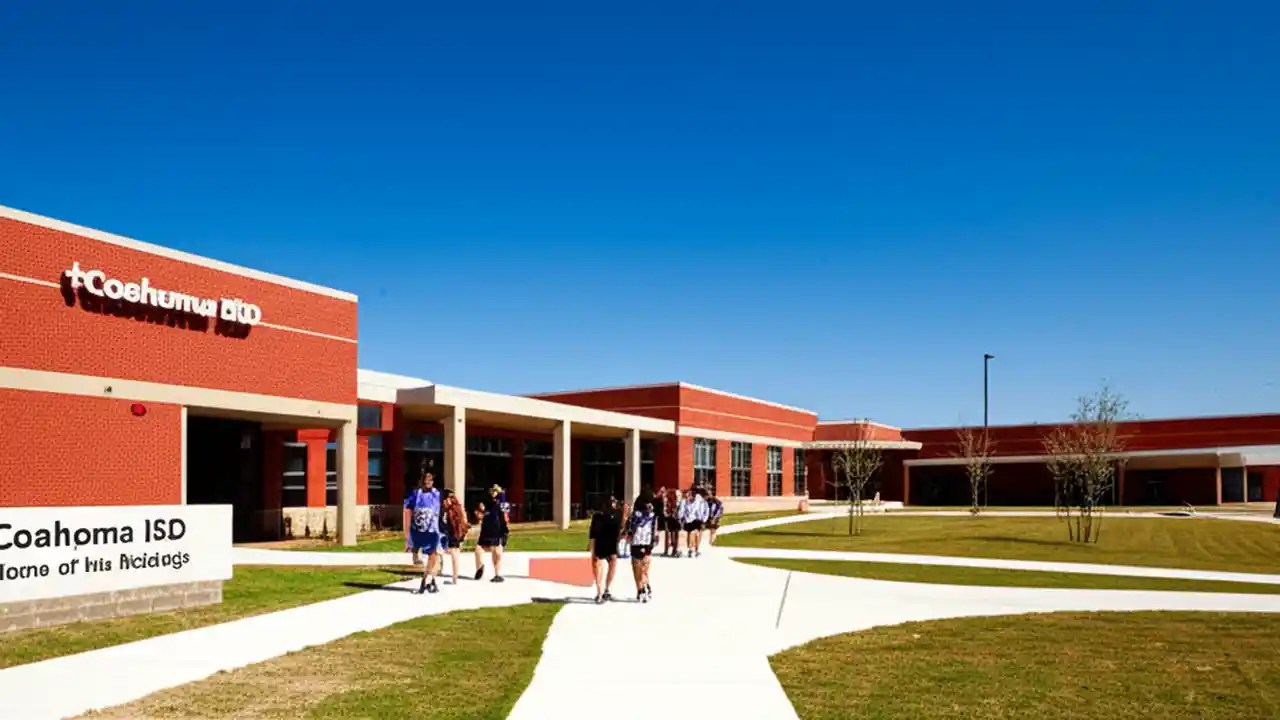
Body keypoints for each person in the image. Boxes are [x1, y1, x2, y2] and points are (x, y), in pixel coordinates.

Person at [403, 471, 443, 594]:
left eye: (430, 480)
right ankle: (429, 580)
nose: (428, 482)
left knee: (434, 555)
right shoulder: (416, 494)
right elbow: (407, 509)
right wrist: (407, 532)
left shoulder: (438, 494)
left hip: (433, 530)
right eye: (426, 480)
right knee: (424, 558)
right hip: (419, 530)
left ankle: (428, 580)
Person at [587, 496, 621, 604]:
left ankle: (607, 589)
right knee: (597, 564)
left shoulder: (617, 514)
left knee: (612, 564)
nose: (613, 504)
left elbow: (621, 530)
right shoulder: (597, 516)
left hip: (611, 544)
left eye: (614, 502)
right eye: (611, 502)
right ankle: (599, 591)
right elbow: (593, 533)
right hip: (600, 543)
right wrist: (591, 547)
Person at [474, 484, 509, 582]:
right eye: (492, 491)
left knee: (496, 553)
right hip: (485, 531)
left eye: (495, 491)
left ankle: (497, 574)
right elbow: (479, 512)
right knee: (478, 550)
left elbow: (504, 518)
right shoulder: (486, 503)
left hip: (496, 532)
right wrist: (480, 511)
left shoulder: (501, 504)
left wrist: (504, 534)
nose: (493, 493)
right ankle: (479, 568)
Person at [626, 496, 657, 602]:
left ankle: (643, 587)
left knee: (642, 568)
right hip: (638, 543)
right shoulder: (635, 516)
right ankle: (641, 589)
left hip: (644, 543)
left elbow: (654, 529)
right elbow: (629, 529)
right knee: (639, 568)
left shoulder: (651, 515)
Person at [438, 488, 470, 585]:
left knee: (452, 554)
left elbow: (449, 524)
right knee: (453, 554)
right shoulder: (456, 508)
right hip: (455, 534)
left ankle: (453, 578)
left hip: (453, 535)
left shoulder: (450, 511)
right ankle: (453, 577)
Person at [678, 488, 709, 558]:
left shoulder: (700, 501)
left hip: (697, 520)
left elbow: (705, 511)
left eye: (689, 495)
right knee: (690, 534)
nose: (688, 497)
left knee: (696, 534)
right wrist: (681, 518)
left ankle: (696, 550)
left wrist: (703, 520)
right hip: (688, 520)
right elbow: (682, 511)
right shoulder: (684, 502)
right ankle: (690, 549)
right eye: (687, 495)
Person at [663, 486, 681, 557]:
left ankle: (670, 550)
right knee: (674, 534)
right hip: (674, 519)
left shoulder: (669, 501)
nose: (679, 496)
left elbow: (664, 511)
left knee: (671, 534)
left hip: (670, 518)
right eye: (678, 495)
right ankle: (674, 550)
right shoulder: (674, 502)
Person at [651, 488, 668, 554]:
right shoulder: (655, 500)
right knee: (655, 529)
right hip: (655, 516)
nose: (661, 493)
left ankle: (656, 541)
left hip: (661, 517)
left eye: (663, 492)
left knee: (658, 530)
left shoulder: (664, 500)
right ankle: (654, 541)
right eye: (661, 492)